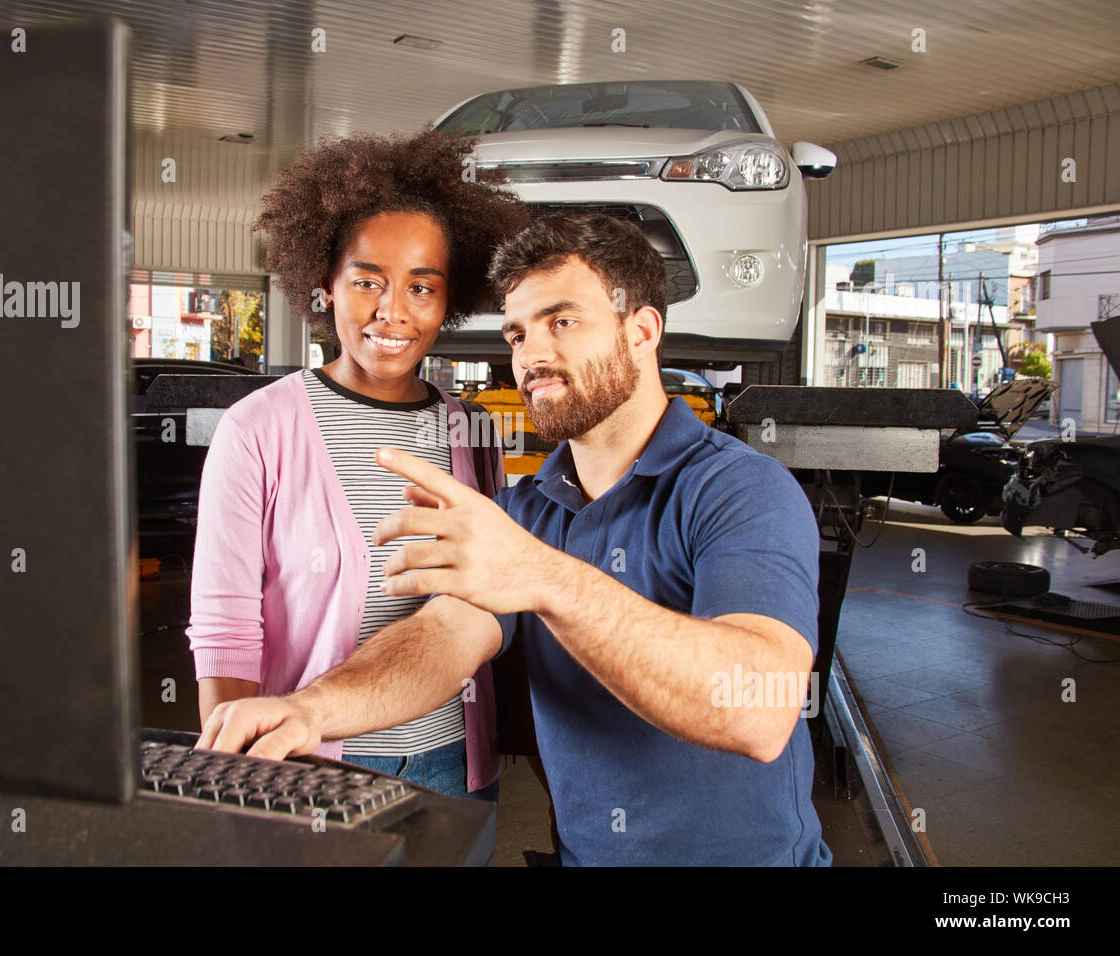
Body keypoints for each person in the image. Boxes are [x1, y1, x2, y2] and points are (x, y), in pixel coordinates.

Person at [198, 213, 832, 866]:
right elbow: (440, 638)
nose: (531, 356)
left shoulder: (742, 490)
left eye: (562, 322)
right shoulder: (525, 512)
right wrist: (312, 711)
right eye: (518, 332)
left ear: (641, 331)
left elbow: (759, 711)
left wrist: (544, 577)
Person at [185, 125, 528, 802]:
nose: (392, 312)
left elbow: (490, 600)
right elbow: (226, 630)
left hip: (456, 767)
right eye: (367, 281)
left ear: (448, 299)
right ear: (325, 283)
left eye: (421, 288)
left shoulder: (472, 432)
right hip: (314, 769)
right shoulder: (258, 429)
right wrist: (241, 774)